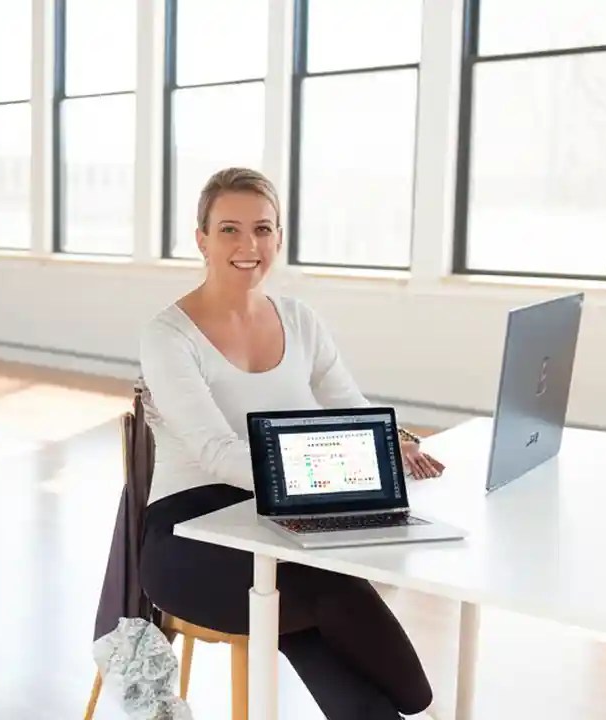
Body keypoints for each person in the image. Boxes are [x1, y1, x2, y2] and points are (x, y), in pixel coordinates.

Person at [137, 167, 441, 718]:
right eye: (229, 229)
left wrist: (393, 440)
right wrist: (320, 483)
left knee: (353, 674)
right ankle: (415, 700)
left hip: (269, 523)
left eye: (263, 229)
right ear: (201, 237)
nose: (248, 245)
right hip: (188, 539)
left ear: (279, 237)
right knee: (332, 593)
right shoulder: (168, 335)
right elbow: (214, 450)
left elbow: (348, 405)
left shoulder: (299, 320)